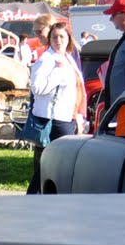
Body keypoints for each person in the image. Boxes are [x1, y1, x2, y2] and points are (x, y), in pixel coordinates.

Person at [25, 22, 85, 195]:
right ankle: (36, 196)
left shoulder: (68, 57)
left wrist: (79, 117)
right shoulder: (47, 59)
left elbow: (77, 89)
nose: (58, 40)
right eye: (54, 37)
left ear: (68, 39)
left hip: (67, 117)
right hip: (52, 120)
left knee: (56, 163)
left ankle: (47, 196)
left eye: (62, 37)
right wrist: (57, 73)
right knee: (50, 163)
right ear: (49, 39)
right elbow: (37, 88)